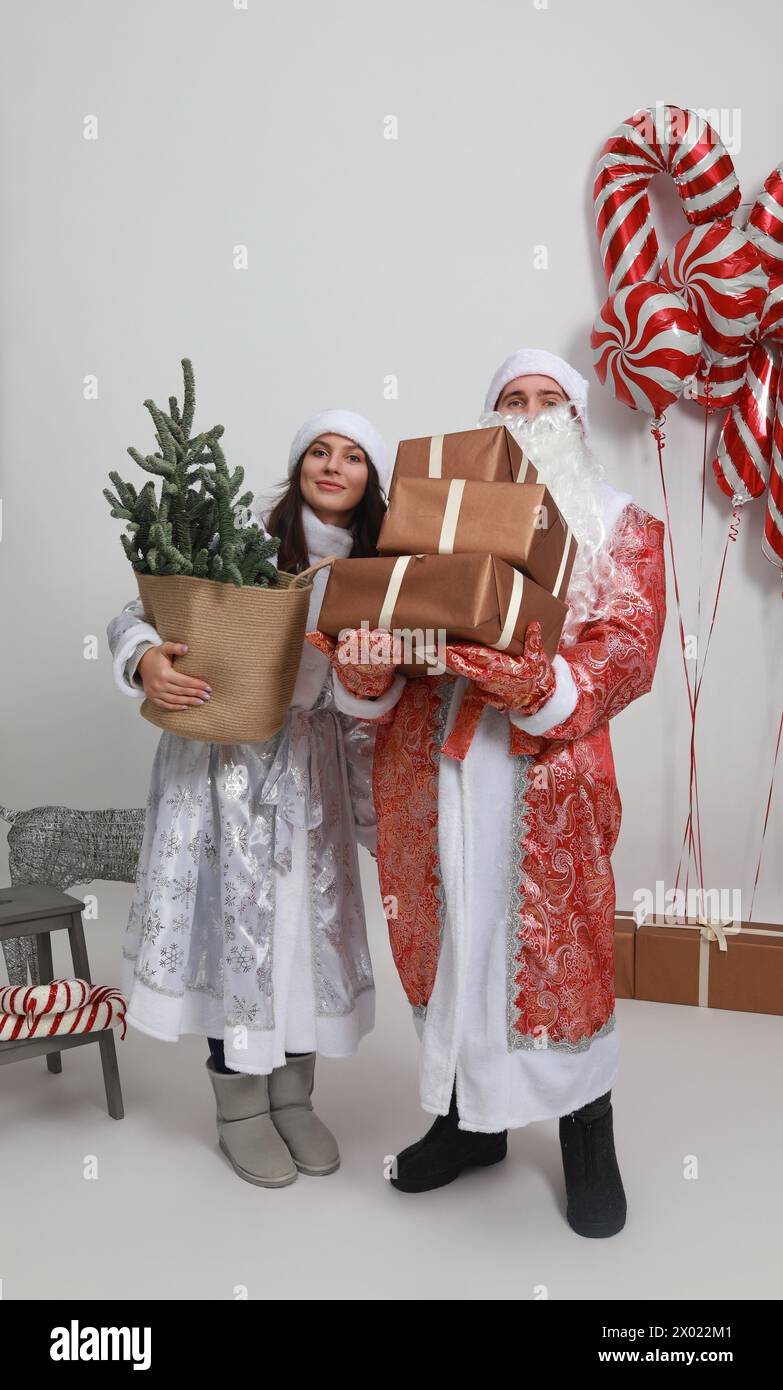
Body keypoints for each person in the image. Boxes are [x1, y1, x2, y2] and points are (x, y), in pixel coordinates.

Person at [325, 349, 667, 1236]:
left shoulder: (624, 526)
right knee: (443, 949)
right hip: (432, 775)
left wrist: (541, 685)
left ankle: (587, 1134)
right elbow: (395, 627)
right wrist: (369, 673)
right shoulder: (434, 517)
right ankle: (464, 1122)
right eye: (510, 401)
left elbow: (627, 650)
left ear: (579, 419)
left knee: (558, 958)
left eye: (547, 401)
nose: (529, 414)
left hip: (544, 779)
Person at [106, 409, 390, 1188]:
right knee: (232, 927)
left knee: (304, 933)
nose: (333, 466)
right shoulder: (243, 542)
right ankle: (239, 1109)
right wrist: (144, 663)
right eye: (319, 451)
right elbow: (138, 615)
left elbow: (384, 697)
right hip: (221, 770)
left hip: (313, 773)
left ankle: (293, 1098)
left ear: (373, 480)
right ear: (298, 464)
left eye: (354, 456)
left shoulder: (381, 571)